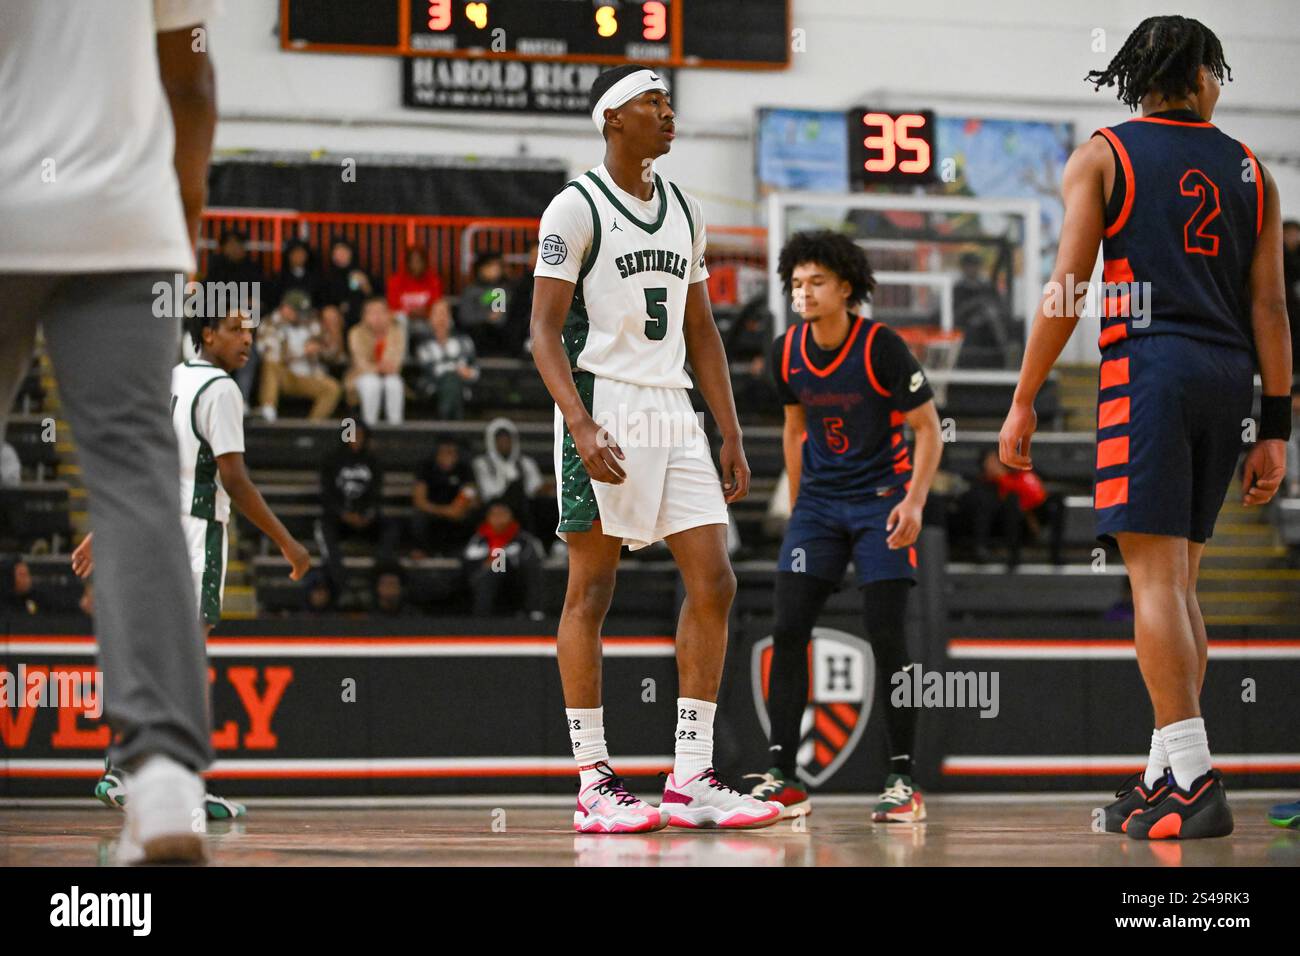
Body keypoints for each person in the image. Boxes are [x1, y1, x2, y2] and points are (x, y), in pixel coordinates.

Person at [1000, 16, 1291, 840]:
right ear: (1199, 77)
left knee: (1154, 586)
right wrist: (1276, 424)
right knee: (1183, 583)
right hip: (1229, 374)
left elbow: (1068, 286)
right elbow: (1271, 306)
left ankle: (1195, 781)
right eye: (1217, 71)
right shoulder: (1254, 171)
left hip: (1151, 369)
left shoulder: (1103, 154)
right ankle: (1166, 770)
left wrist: (1025, 395)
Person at [1, 0, 221, 864]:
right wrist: (187, 213)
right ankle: (164, 779)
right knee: (135, 481)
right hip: (128, 219)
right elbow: (193, 77)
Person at [531, 64, 777, 832]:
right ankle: (594, 780)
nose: (668, 113)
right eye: (652, 101)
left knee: (715, 580)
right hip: (604, 402)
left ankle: (690, 776)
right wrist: (578, 422)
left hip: (674, 410)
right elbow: (540, 332)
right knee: (591, 592)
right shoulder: (574, 206)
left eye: (669, 102)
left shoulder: (685, 208)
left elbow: (701, 330)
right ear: (613, 119)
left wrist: (729, 427)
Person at [73, 307, 313, 821]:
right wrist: (288, 543)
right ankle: (162, 779)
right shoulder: (222, 389)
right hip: (198, 530)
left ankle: (130, 770)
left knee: (163, 660)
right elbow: (236, 481)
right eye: (234, 329)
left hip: (153, 528)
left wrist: (103, 530)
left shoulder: (173, 378)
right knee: (183, 663)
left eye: (250, 331)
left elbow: (146, 459)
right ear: (207, 334)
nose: (246, 340)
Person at [742, 230, 942, 822]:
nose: (802, 292)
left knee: (887, 636)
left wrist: (913, 502)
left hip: (882, 502)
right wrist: (801, 504)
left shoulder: (881, 347)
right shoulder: (785, 352)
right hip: (820, 508)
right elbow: (794, 427)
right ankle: (783, 774)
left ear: (846, 288)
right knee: (787, 627)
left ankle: (902, 782)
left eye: (816, 282)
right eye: (796, 283)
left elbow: (929, 429)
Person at [316, 416, 401, 602]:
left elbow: (376, 494)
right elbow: (327, 494)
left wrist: (367, 514)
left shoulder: (373, 461)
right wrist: (344, 514)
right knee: (324, 528)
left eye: (361, 435)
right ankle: (341, 584)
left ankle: (377, 578)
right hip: (339, 518)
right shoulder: (331, 460)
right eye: (353, 435)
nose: (357, 439)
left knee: (390, 527)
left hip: (366, 519)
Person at [960, 448, 1064, 567]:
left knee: (1056, 502)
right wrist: (999, 477)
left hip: (1029, 520)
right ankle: (994, 552)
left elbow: (1040, 493)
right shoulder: (985, 485)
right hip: (1001, 524)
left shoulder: (1028, 474)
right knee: (1011, 502)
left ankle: (1055, 554)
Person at [257, 291, 343, 421]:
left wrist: (332, 337)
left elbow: (332, 355)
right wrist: (303, 351)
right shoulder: (269, 324)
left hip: (309, 375)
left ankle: (312, 427)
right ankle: (268, 414)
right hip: (284, 376)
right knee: (270, 365)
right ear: (285, 308)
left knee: (333, 388)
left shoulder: (311, 322)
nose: (301, 315)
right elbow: (270, 355)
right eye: (297, 311)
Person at [461, 500, 545, 618]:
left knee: (500, 564)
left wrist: (501, 560)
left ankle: (535, 612)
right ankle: (479, 618)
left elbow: (532, 565)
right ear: (487, 518)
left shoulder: (524, 540)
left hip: (514, 587)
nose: (498, 518)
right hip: (482, 586)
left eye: (503, 514)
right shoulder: (478, 540)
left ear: (511, 517)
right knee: (493, 569)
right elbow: (468, 564)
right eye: (494, 515)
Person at [471, 417, 550, 538]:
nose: (504, 444)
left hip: (522, 506)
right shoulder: (482, 463)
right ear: (492, 441)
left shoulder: (525, 462)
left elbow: (534, 488)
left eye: (507, 441)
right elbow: (489, 492)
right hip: (492, 504)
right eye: (500, 441)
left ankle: (534, 542)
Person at [411, 437, 479, 557]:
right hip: (433, 513)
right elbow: (419, 501)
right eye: (444, 452)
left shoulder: (465, 470)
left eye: (451, 452)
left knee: (473, 516)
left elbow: (469, 496)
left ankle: (464, 552)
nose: (447, 456)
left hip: (457, 516)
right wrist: (444, 510)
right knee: (419, 517)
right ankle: (423, 551)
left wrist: (456, 509)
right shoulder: (426, 468)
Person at [347, 296, 407, 426]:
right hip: (360, 375)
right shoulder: (356, 332)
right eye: (373, 313)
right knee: (372, 383)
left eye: (381, 312)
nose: (378, 317)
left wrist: (388, 367)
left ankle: (395, 427)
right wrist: (378, 369)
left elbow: (396, 360)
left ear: (388, 314)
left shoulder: (397, 331)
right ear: (364, 316)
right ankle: (369, 426)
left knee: (394, 384)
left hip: (389, 374)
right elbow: (360, 362)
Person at [413, 307, 479, 420]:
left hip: (463, 385)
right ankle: (455, 427)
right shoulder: (423, 343)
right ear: (430, 319)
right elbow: (430, 370)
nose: (441, 319)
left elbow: (474, 369)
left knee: (452, 383)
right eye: (437, 314)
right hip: (434, 387)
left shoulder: (464, 340)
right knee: (450, 381)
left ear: (450, 318)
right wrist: (456, 369)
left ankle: (446, 426)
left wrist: (470, 373)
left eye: (444, 314)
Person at [386, 245, 449, 344]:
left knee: (443, 313)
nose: (416, 265)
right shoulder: (395, 281)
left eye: (419, 261)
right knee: (400, 319)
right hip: (405, 319)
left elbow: (436, 303)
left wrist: (425, 312)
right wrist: (409, 312)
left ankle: (440, 352)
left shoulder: (433, 280)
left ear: (425, 263)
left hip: (427, 319)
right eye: (413, 262)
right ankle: (403, 356)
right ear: (407, 263)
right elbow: (393, 306)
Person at [458, 251, 513, 356]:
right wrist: (486, 317)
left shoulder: (506, 289)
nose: (496, 269)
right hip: (478, 336)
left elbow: (503, 318)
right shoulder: (471, 290)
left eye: (498, 266)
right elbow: (465, 317)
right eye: (491, 266)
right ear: (481, 268)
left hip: (501, 336)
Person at [317, 236, 375, 336]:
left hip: (360, 313)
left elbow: (374, 298)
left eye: (344, 251)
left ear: (351, 253)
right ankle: (339, 351)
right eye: (337, 252)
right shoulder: (326, 276)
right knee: (330, 314)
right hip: (338, 316)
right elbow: (323, 301)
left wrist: (366, 285)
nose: (340, 255)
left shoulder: (363, 272)